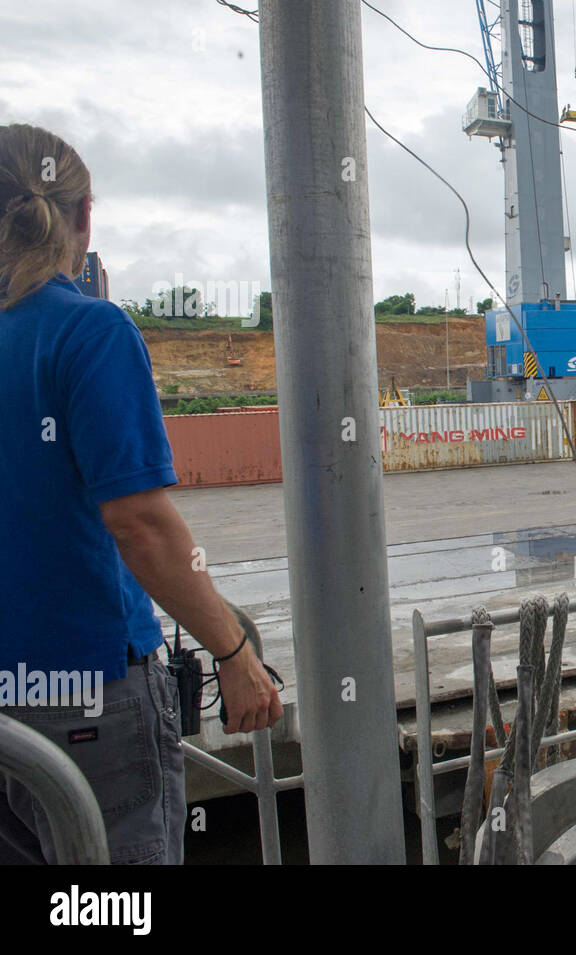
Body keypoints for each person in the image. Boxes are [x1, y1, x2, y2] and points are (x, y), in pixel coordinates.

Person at [0, 124, 283, 865]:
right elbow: (142, 525)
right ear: (84, 215)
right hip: (87, 698)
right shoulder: (90, 333)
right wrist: (232, 648)